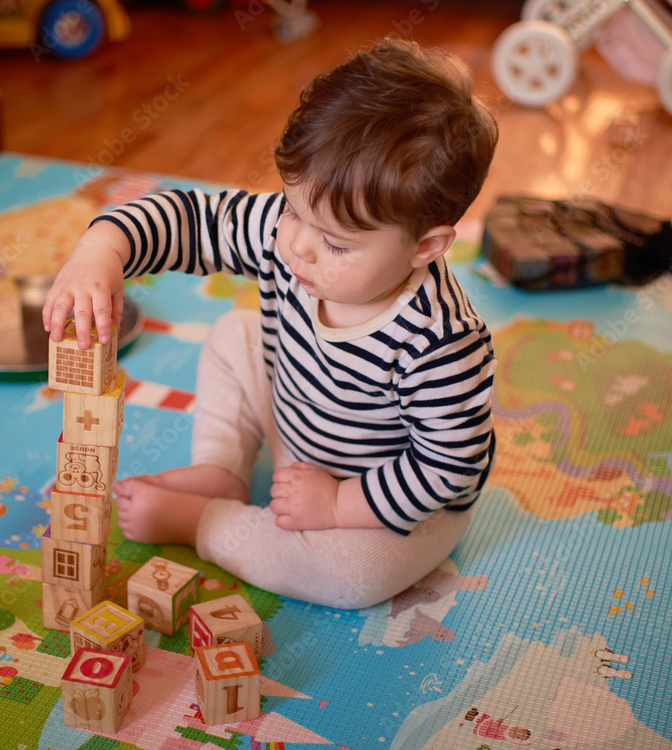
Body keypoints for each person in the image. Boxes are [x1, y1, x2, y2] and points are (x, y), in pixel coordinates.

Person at [42, 37, 499, 609]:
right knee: (233, 335)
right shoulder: (297, 230)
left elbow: (446, 469)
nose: (297, 246)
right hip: (297, 424)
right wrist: (103, 251)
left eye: (335, 243)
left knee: (353, 578)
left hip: (387, 499)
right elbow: (191, 219)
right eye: (289, 208)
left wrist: (337, 506)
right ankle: (221, 470)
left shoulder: (442, 343)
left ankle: (208, 520)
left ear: (424, 248)